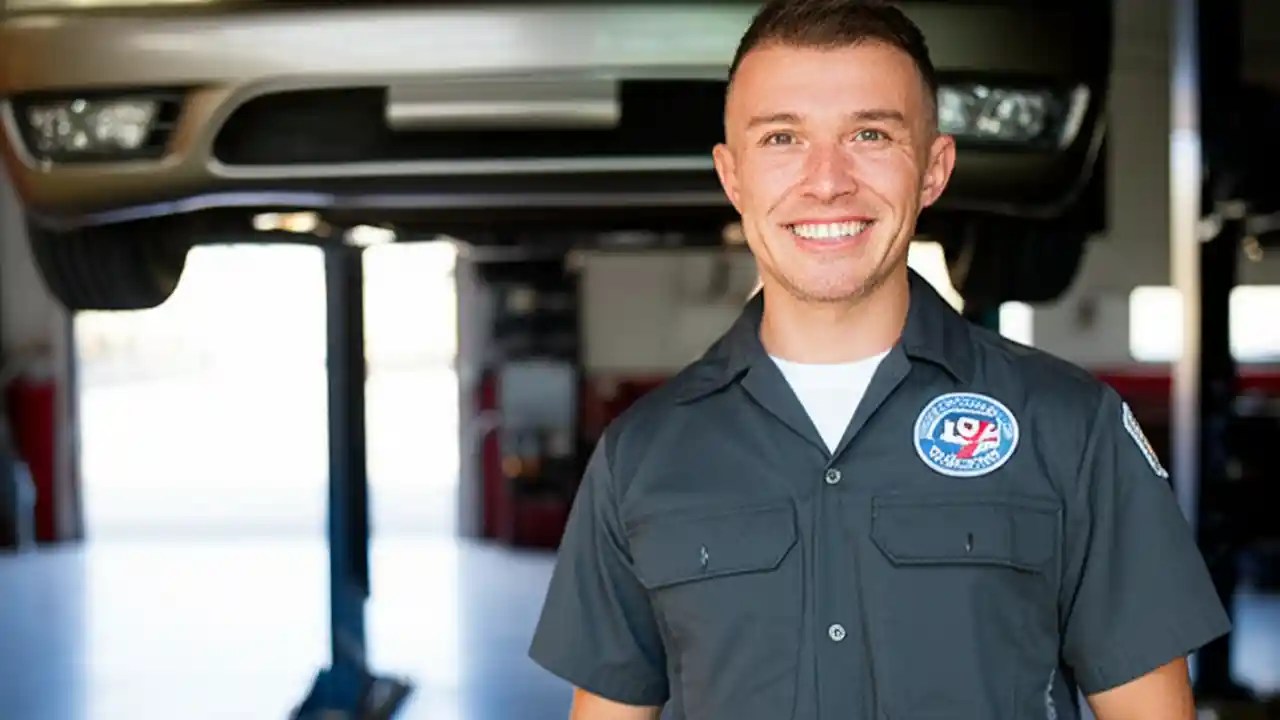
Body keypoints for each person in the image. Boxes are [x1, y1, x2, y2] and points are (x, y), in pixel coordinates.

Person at [528, 0, 1232, 718]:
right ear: (732, 176)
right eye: (782, 138)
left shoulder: (1070, 427)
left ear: (934, 170)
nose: (827, 180)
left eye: (870, 134)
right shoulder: (641, 456)